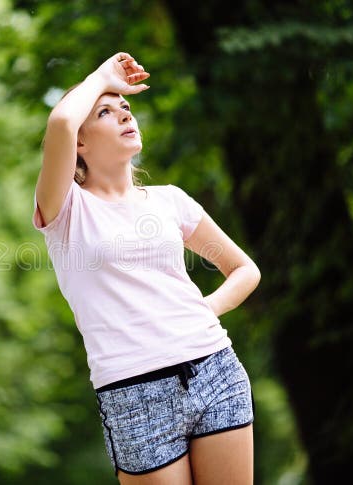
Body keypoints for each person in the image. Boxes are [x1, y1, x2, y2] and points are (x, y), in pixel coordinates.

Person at [31, 52, 261, 485]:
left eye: (126, 107)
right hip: (132, 393)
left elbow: (245, 270)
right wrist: (102, 76)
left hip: (215, 370)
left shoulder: (171, 200)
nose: (123, 115)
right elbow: (61, 123)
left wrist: (202, 312)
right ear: (80, 144)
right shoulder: (66, 212)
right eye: (104, 110)